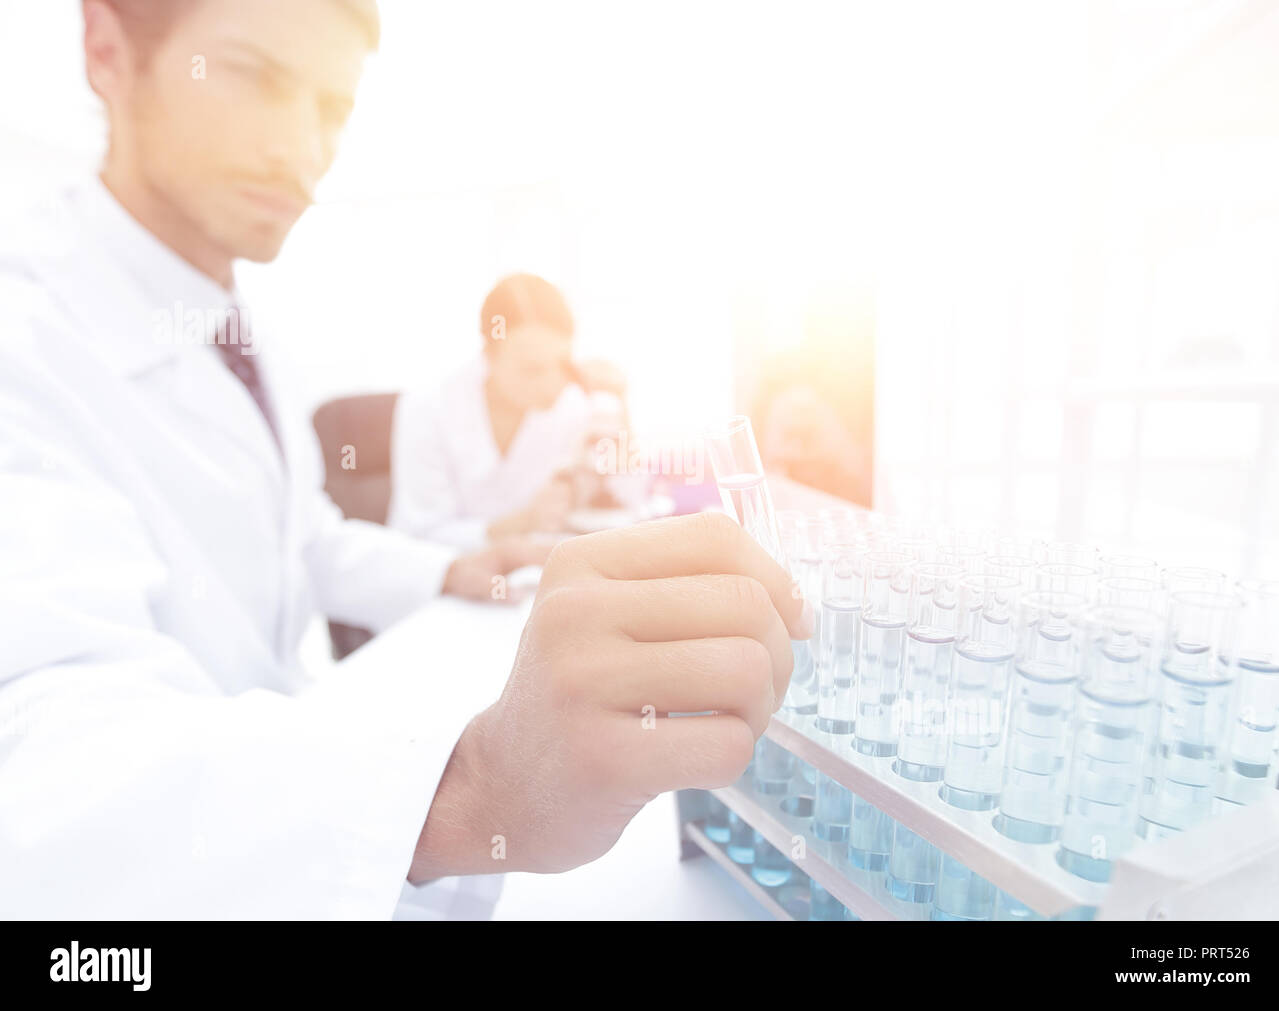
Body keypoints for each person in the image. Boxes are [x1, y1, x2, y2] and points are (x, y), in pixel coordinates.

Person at [0, 0, 811, 918]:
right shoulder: (21, 337)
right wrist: (471, 794)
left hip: (286, 808)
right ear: (106, 52)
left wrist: (452, 567)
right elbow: (38, 768)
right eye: (253, 75)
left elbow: (304, 539)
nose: (301, 148)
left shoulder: (232, 320)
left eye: (333, 106)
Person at [388, 273, 629, 549]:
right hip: (446, 569)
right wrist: (523, 522)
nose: (553, 384)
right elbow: (420, 535)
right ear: (489, 355)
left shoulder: (574, 406)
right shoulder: (428, 409)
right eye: (532, 370)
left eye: (562, 363)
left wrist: (621, 401)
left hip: (534, 568)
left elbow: (625, 498)